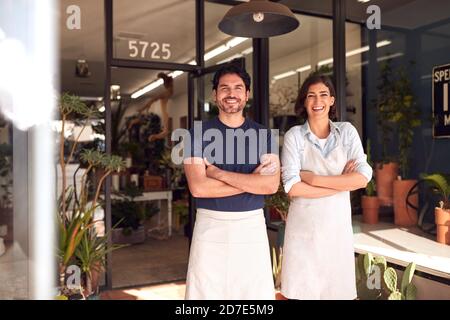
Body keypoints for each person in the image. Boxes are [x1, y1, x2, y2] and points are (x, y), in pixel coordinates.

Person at [183, 64, 280, 300]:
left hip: (252, 229)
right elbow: (198, 188)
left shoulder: (265, 136)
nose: (231, 93)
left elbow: (269, 186)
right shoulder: (194, 135)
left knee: (253, 296)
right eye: (224, 88)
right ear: (215, 94)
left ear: (247, 95)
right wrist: (251, 180)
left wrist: (218, 174)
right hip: (210, 228)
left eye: (238, 88)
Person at [280, 74, 372, 300]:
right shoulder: (294, 137)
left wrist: (313, 179)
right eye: (310, 96)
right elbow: (292, 187)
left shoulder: (347, 132)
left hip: (336, 232)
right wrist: (341, 182)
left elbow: (363, 177)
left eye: (323, 95)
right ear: (304, 102)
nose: (317, 101)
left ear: (332, 100)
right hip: (303, 233)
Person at [129, 72, 174, 142]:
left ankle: (136, 121)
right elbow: (154, 99)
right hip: (164, 115)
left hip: (164, 115)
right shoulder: (167, 94)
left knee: (164, 131)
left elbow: (154, 99)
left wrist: (143, 108)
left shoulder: (167, 93)